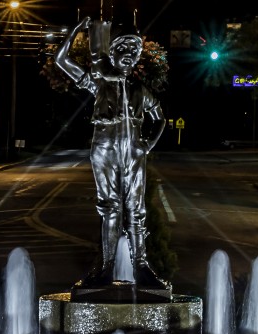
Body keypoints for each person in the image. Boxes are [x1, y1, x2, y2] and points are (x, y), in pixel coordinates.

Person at [55, 17, 167, 290]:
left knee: (136, 210)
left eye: (134, 51)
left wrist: (148, 144)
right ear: (111, 52)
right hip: (104, 148)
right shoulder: (100, 84)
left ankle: (141, 267)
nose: (128, 55)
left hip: (133, 151)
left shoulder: (140, 90)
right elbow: (61, 60)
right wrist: (76, 30)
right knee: (109, 208)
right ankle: (105, 269)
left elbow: (161, 118)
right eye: (122, 49)